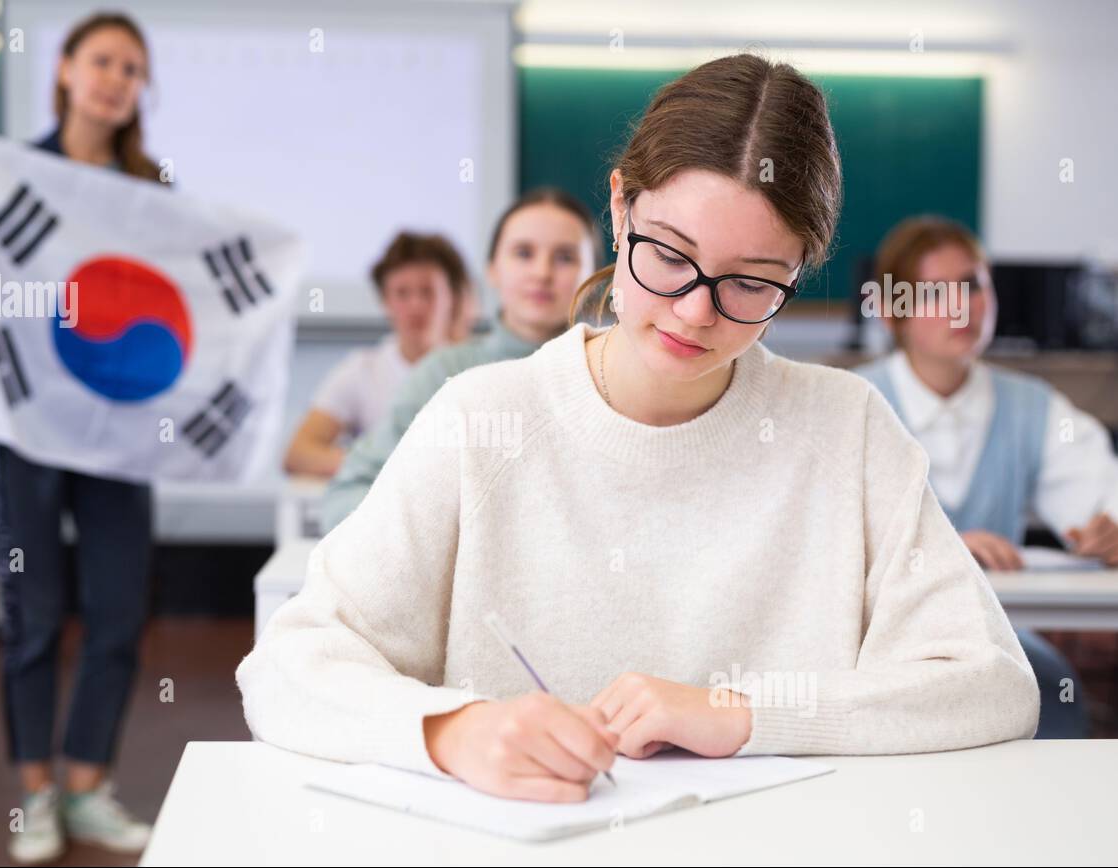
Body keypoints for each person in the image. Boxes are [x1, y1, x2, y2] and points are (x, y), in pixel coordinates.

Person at [237, 54, 1039, 804]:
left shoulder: (848, 429)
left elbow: (990, 681)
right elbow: (288, 666)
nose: (695, 311)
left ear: (799, 274)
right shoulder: (480, 420)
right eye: (669, 254)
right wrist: (453, 731)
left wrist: (744, 714)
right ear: (620, 209)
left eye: (753, 284)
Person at [0, 11, 162, 861]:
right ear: (64, 69)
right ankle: (35, 795)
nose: (115, 79)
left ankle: (89, 787)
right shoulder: (8, 173)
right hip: (20, 427)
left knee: (119, 611)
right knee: (34, 614)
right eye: (102, 61)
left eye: (131, 67)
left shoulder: (151, 185)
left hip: (114, 431)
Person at [854, 215, 1118, 738]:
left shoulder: (1031, 408)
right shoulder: (852, 402)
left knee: (1050, 691)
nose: (962, 307)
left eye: (972, 285)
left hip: (996, 645)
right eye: (932, 292)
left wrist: (1108, 525)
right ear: (890, 311)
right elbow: (822, 543)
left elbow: (1099, 492)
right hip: (875, 648)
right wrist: (939, 549)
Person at [320, 187, 600, 531]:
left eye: (565, 257)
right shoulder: (441, 374)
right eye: (523, 252)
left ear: (594, 274)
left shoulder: (613, 375)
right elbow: (346, 493)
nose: (541, 272)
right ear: (492, 270)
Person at [283, 232, 466, 477]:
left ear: (451, 298)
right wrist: (377, 465)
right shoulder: (363, 370)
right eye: (402, 293)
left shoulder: (479, 368)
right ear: (385, 301)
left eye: (427, 292)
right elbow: (298, 454)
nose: (415, 306)